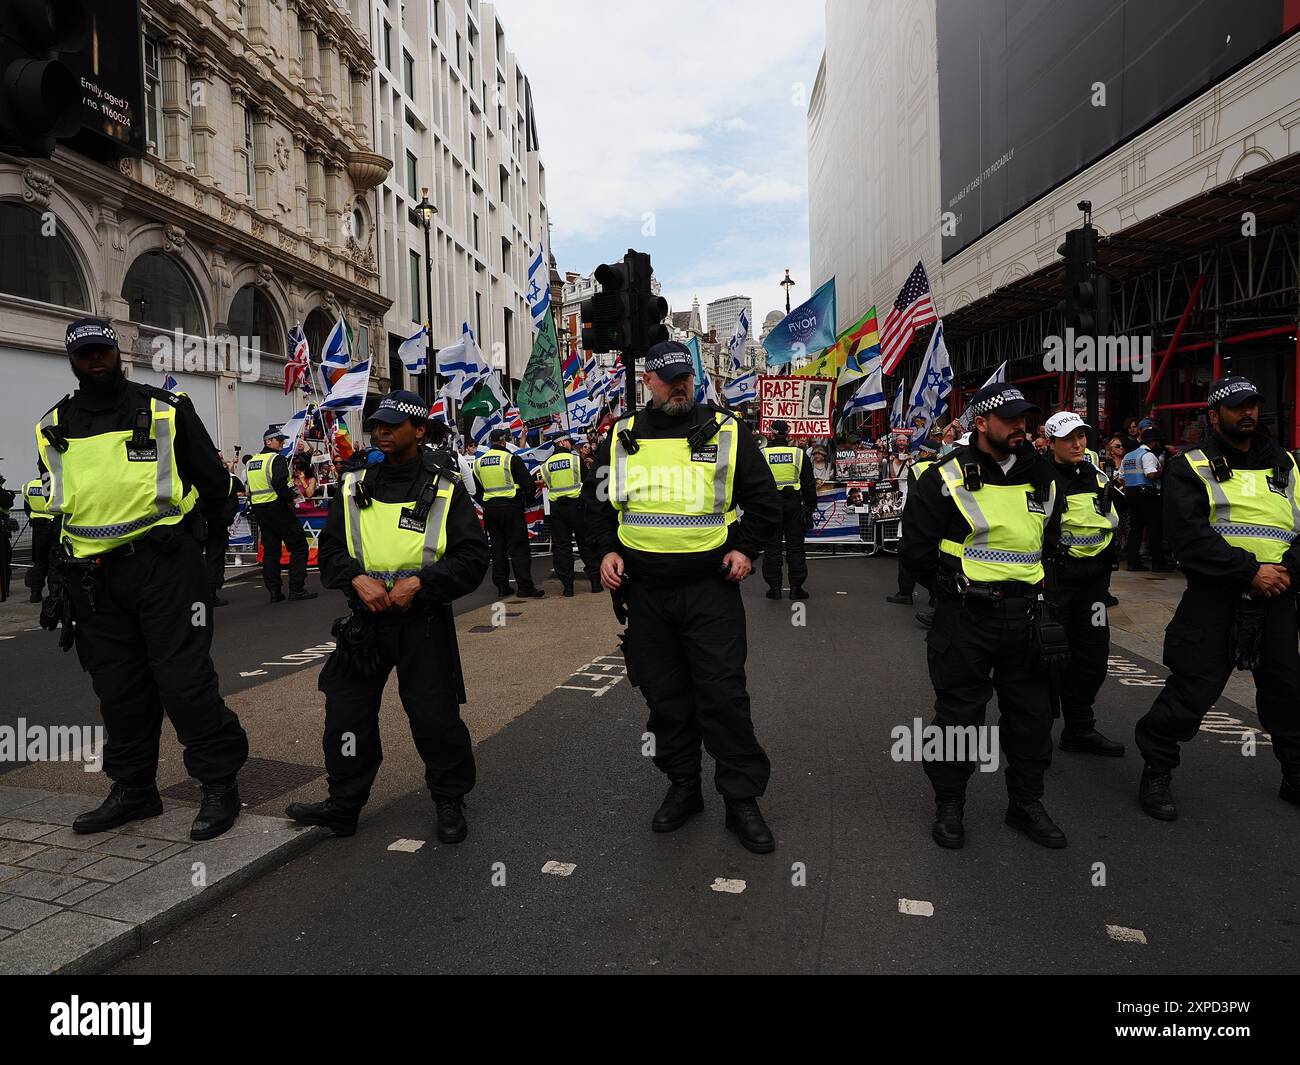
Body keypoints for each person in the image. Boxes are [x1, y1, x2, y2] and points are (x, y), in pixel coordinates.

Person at [35, 317, 248, 840]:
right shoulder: (53, 425)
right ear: (73, 361)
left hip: (164, 568)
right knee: (119, 690)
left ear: (119, 352)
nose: (95, 360)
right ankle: (134, 791)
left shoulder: (164, 410)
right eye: (85, 354)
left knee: (183, 681)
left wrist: (195, 552)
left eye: (102, 351)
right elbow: (57, 508)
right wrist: (52, 574)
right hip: (92, 581)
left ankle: (218, 784)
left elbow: (217, 489)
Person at [584, 340, 782, 853]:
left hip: (709, 590)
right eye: (669, 379)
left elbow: (764, 501)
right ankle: (683, 786)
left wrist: (746, 549)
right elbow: (600, 505)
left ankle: (741, 800)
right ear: (648, 381)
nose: (680, 387)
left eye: (686, 378)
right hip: (646, 594)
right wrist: (605, 550)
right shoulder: (623, 434)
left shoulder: (726, 429)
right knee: (665, 698)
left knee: (723, 695)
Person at [288, 391, 489, 841]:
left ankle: (449, 800)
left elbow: (473, 557)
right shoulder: (354, 479)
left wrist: (420, 584)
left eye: (392, 425)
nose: (379, 431)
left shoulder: (444, 485)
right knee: (346, 716)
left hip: (423, 620)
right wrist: (356, 579)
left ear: (419, 431)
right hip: (365, 621)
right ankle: (344, 805)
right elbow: (333, 549)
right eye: (377, 424)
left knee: (434, 717)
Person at [901, 382, 1067, 851]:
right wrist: (952, 591)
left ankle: (1026, 804)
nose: (1021, 427)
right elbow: (915, 550)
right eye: (1010, 419)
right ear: (980, 424)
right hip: (967, 619)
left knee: (1033, 718)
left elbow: (1050, 543)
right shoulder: (944, 476)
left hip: (1028, 620)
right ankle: (950, 804)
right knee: (958, 719)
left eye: (1025, 419)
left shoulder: (1043, 476)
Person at [1134, 376, 1300, 819]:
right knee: (1192, 688)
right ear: (1213, 415)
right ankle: (1157, 768)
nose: (1249, 413)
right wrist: (1250, 572)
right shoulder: (1190, 465)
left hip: (1278, 596)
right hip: (1216, 596)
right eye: (1237, 406)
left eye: (1253, 405)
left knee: (1288, 692)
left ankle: (1295, 775)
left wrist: (1284, 572)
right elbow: (1187, 538)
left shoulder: (1285, 463)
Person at [1042, 411, 1125, 756]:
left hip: (1093, 585)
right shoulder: (1040, 479)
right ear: (1051, 443)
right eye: (1068, 439)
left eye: (1081, 437)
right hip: (1055, 583)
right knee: (1047, 660)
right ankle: (1037, 734)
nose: (1077, 444)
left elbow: (1113, 518)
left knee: (1093, 658)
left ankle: (1079, 728)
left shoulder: (1096, 474)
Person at [245, 426, 317, 602]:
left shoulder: (252, 461)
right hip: (277, 507)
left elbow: (250, 488)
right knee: (299, 545)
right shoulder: (277, 459)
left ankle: (274, 592)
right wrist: (291, 498)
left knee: (271, 551)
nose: (282, 442)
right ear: (268, 441)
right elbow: (279, 484)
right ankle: (297, 589)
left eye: (283, 440)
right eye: (279, 440)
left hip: (260, 510)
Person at [474, 428, 543, 598]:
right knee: (519, 548)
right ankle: (525, 587)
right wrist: (526, 500)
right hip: (511, 508)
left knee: (498, 549)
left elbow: (476, 491)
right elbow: (528, 485)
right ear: (504, 441)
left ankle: (502, 587)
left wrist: (488, 503)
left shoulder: (479, 462)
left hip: (491, 510)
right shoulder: (511, 459)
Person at [761, 419, 817, 599]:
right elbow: (809, 484)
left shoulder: (763, 454)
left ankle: (774, 588)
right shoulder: (799, 454)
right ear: (787, 434)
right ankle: (796, 588)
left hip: (770, 505)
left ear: (771, 433)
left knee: (772, 547)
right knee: (795, 547)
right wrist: (810, 506)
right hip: (793, 503)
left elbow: (755, 483)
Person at [541, 436, 599, 596]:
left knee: (562, 547)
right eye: (569, 442)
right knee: (586, 542)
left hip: (557, 509)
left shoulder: (546, 465)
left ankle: (567, 587)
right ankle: (595, 582)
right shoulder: (575, 460)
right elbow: (587, 480)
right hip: (577, 506)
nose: (571, 445)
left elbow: (549, 483)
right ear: (561, 443)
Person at [1121, 427, 1170, 571]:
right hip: (1147, 493)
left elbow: (1122, 477)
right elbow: (1150, 475)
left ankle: (1133, 563)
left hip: (1130, 492)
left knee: (1135, 528)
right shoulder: (1148, 455)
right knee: (1154, 529)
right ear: (1153, 442)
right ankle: (1158, 564)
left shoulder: (1128, 455)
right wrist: (1162, 471)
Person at [21, 475, 62, 603]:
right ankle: (54, 594)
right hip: (54, 527)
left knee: (39, 562)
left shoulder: (29, 485)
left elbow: (27, 507)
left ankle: (35, 592)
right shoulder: (55, 485)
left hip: (38, 528)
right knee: (54, 563)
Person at [204, 468, 240, 608]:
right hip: (216, 525)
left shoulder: (195, 477)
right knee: (214, 559)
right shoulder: (227, 481)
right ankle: (210, 593)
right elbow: (232, 504)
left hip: (199, 523)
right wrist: (224, 521)